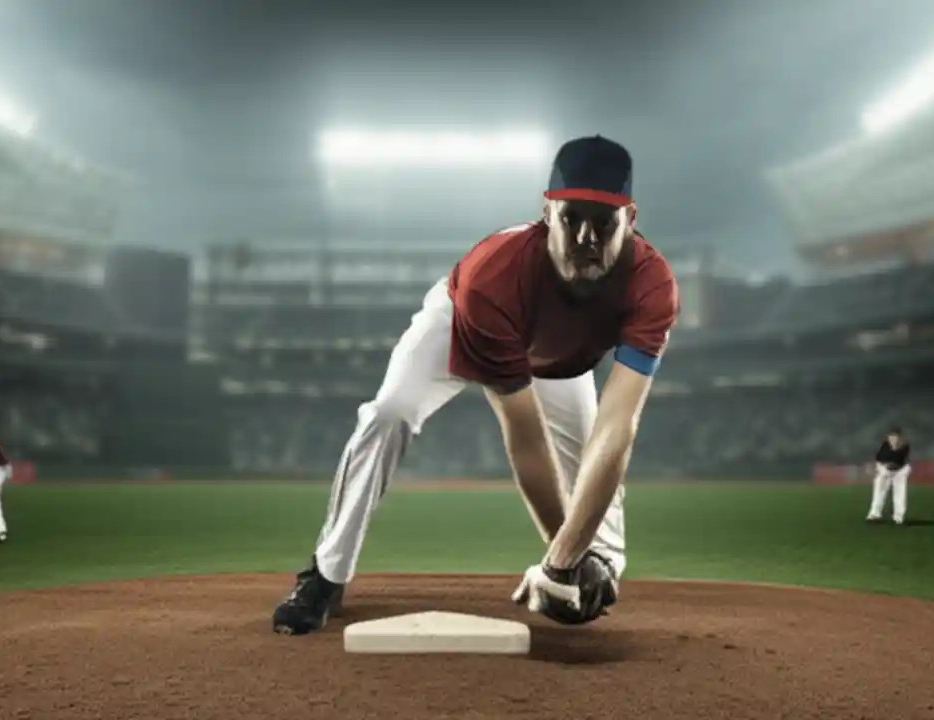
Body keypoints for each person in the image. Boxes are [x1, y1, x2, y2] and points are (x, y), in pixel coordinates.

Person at [273, 135, 679, 634]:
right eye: (572, 217)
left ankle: (604, 565)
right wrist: (562, 561)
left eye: (604, 223)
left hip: (561, 359)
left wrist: (573, 563)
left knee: (594, 444)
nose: (585, 239)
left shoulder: (651, 284)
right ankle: (326, 575)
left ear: (631, 220)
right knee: (389, 413)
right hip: (462, 321)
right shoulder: (496, 276)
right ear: (546, 213)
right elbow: (526, 441)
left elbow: (617, 431)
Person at [866, 427, 911, 526]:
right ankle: (874, 515)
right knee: (879, 492)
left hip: (900, 470)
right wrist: (875, 467)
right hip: (884, 470)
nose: (893, 439)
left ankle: (898, 517)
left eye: (895, 436)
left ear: (900, 437)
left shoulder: (904, 446)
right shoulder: (885, 445)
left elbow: (898, 459)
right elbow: (879, 457)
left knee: (900, 494)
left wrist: (894, 449)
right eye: (891, 436)